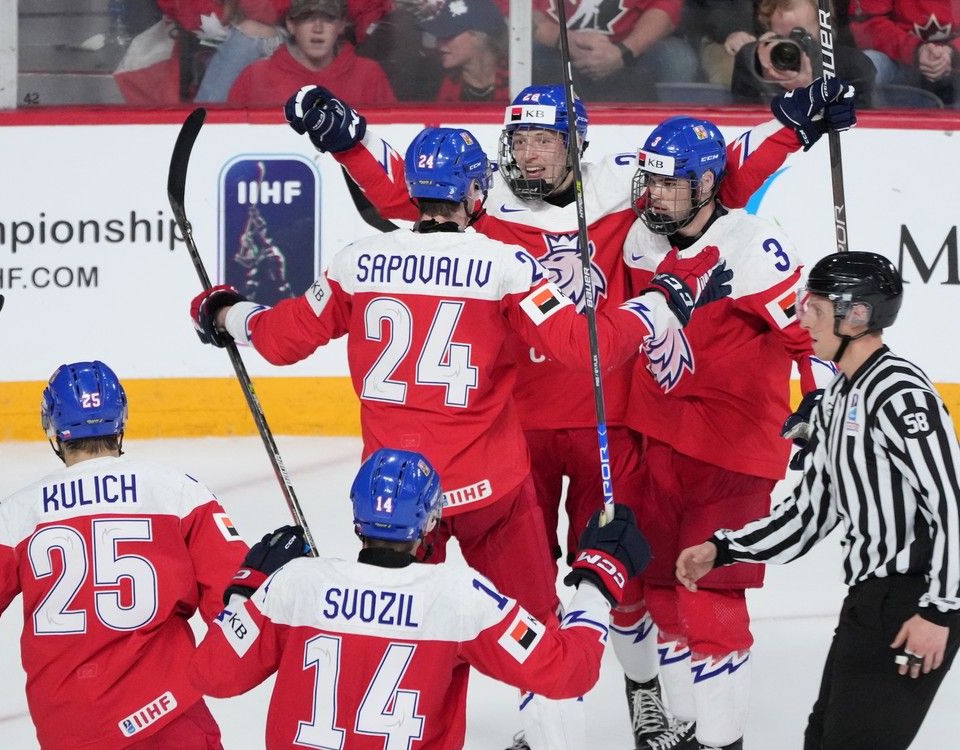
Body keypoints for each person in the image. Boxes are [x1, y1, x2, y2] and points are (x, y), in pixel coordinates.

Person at [281, 76, 855, 747]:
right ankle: (526, 711)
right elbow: (406, 187)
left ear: (575, 144)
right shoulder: (479, 192)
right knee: (530, 590)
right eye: (519, 139)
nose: (529, 156)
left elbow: (716, 174)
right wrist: (348, 139)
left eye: (544, 140)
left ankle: (641, 691)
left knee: (616, 568)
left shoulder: (621, 186)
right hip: (510, 429)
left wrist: (792, 126)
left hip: (605, 421)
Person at [190, 125, 728, 750]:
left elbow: (279, 339)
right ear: (475, 193)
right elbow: (587, 351)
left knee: (405, 630)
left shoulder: (357, 262)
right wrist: (663, 301)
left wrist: (224, 312)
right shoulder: (505, 266)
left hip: (391, 507)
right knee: (540, 630)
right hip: (489, 493)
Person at [612, 106, 862, 749]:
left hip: (730, 454)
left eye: (669, 183)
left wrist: (820, 402)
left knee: (708, 591)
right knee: (661, 585)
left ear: (703, 185)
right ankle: (688, 721)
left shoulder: (755, 248)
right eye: (649, 180)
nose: (653, 195)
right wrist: (793, 127)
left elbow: (812, 338)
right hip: (654, 435)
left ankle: (722, 741)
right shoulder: (642, 238)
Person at [677, 251, 960, 749]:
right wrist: (722, 549)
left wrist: (939, 611)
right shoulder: (837, 398)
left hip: (914, 599)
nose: (803, 318)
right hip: (869, 598)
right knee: (824, 738)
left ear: (857, 315)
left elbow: (951, 505)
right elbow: (810, 513)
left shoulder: (900, 395)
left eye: (817, 309)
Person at [191, 447, 652, 748]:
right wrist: (598, 578)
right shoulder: (457, 597)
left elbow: (212, 675)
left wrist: (245, 591)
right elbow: (567, 673)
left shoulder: (294, 584)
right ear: (431, 523)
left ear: (356, 520)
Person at [0, 361, 249, 749]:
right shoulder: (179, 492)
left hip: (72, 730)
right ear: (120, 421)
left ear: (53, 430)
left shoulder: (17, 514)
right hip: (169, 716)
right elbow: (238, 608)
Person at [226, 0, 396, 106]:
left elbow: (391, 143)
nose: (318, 28)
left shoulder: (369, 76)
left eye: (328, 18)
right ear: (291, 25)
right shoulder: (255, 77)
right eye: (307, 17)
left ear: (341, 26)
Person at [531, 0, 697, 102]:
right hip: (553, 45)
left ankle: (668, 133)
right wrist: (562, 39)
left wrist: (624, 51)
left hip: (629, 48)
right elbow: (514, 11)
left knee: (678, 59)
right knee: (523, 50)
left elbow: (665, 8)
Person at [730, 0, 875, 107]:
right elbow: (745, 124)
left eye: (802, 38)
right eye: (783, 40)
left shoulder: (853, 66)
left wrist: (811, 91)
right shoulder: (752, 61)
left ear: (822, 23)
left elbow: (856, 132)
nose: (790, 52)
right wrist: (762, 74)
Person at [851, 0, 959, 106]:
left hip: (956, 71)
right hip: (899, 63)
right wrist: (915, 50)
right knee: (870, 65)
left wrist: (953, 53)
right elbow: (868, 24)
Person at [421, 0, 509, 103]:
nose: (439, 43)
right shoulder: (429, 80)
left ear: (479, 36)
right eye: (438, 35)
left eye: (448, 34)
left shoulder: (522, 77)